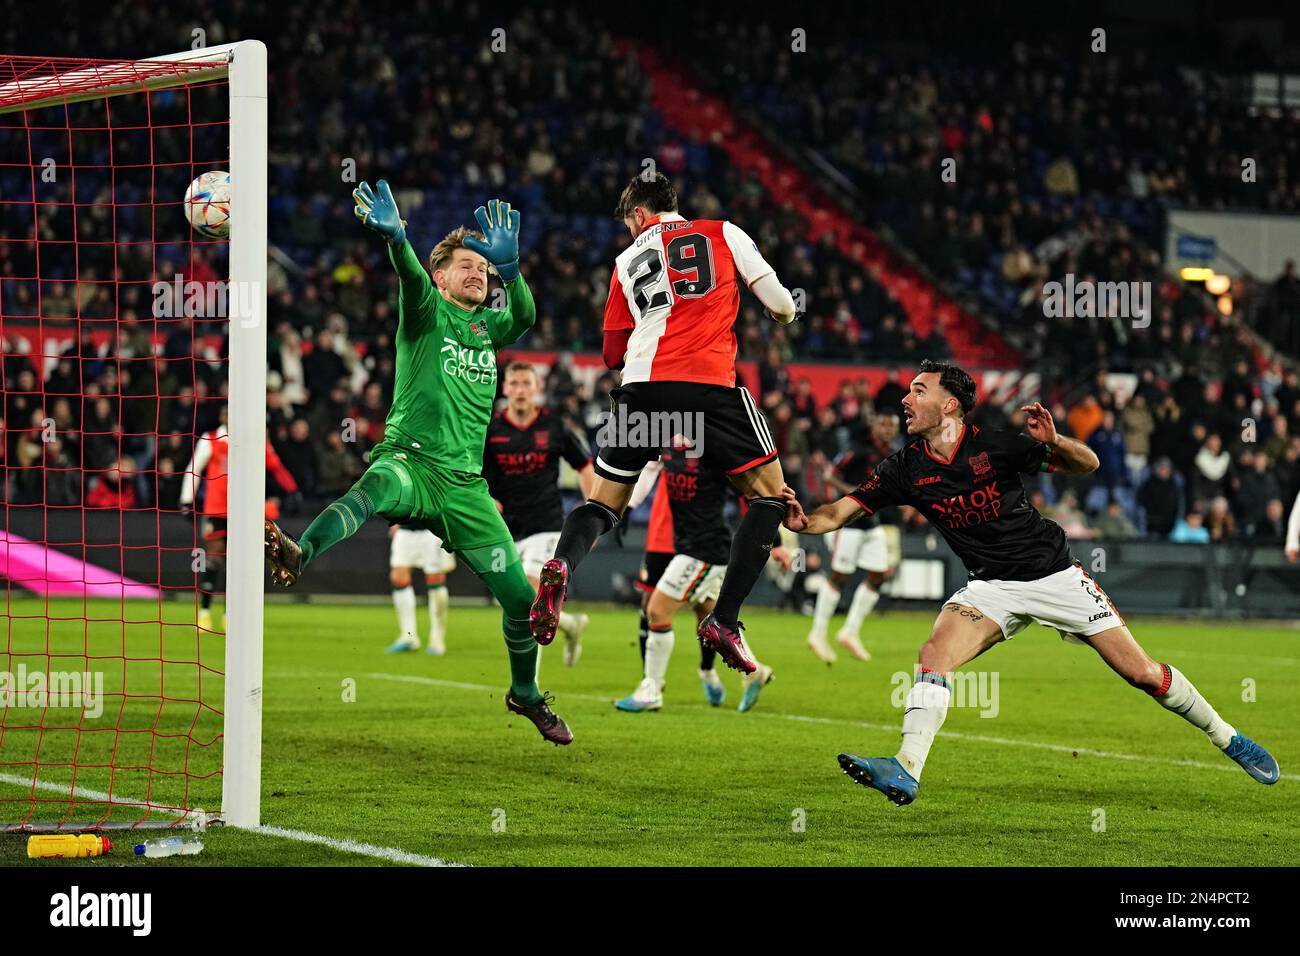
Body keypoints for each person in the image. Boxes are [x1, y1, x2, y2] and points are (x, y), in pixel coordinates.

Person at [784, 359, 1279, 805]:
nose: (905, 399)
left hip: (1054, 576)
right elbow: (841, 510)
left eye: (918, 390)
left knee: (1143, 674)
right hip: (989, 588)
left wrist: (1057, 442)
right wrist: (804, 523)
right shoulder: (905, 467)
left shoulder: (996, 445)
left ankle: (1226, 736)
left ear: (949, 403)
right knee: (934, 653)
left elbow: (1089, 465)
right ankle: (906, 769)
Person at [263, 182, 572, 745]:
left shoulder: (488, 328)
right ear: (442, 277)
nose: (477, 274)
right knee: (374, 487)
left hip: (466, 489)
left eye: (483, 268)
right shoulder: (425, 311)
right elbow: (407, 275)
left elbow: (523, 313)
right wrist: (398, 239)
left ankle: (525, 694)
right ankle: (301, 551)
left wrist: (512, 265)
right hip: (411, 461)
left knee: (525, 607)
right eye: (465, 266)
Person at [532, 172, 799, 675]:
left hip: (640, 392)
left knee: (602, 504)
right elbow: (783, 306)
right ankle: (724, 619)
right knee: (772, 497)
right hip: (710, 388)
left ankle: (562, 566)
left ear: (639, 215)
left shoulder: (625, 261)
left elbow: (612, 351)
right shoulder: (724, 232)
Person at [615, 449, 775, 714]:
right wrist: (628, 507)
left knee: (656, 609)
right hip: (688, 546)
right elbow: (650, 468)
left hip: (707, 551)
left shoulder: (713, 448)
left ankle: (651, 688)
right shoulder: (666, 445)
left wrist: (774, 539)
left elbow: (752, 490)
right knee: (711, 619)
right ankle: (753, 672)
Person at [482, 361, 594, 666]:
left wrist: (593, 516)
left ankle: (530, 689)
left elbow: (585, 466)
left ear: (537, 388)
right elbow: (476, 475)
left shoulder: (554, 425)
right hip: (507, 529)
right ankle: (571, 625)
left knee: (534, 586)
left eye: (525, 384)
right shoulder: (490, 431)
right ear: (504, 388)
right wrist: (488, 497)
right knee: (515, 602)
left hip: (547, 524)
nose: (519, 390)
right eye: (514, 383)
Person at [181, 405, 299, 633]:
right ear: (222, 416)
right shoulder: (211, 439)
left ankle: (229, 616)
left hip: (244, 511)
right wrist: (187, 500)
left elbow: (275, 466)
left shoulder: (255, 441)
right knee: (214, 561)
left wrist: (292, 490)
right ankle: (204, 615)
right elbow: (194, 468)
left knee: (237, 565)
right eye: (226, 414)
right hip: (216, 509)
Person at [806, 412, 902, 663]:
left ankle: (850, 631)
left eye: (891, 424)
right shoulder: (858, 450)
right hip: (848, 523)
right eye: (883, 423)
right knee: (839, 576)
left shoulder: (892, 453)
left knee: (879, 574)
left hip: (872, 523)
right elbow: (829, 474)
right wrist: (849, 494)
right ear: (874, 425)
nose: (887, 429)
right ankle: (817, 633)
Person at [385, 524, 456, 656]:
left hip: (432, 529)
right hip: (405, 529)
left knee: (435, 579)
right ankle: (408, 636)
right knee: (398, 576)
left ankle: (437, 639)